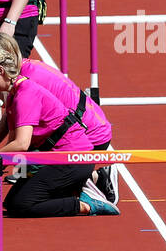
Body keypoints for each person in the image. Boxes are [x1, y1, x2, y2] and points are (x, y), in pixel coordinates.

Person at [0, 34, 118, 217]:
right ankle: (84, 182)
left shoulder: (27, 89)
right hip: (64, 147)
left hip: (81, 146)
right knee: (13, 202)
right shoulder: (16, 87)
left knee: (23, 203)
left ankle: (86, 201)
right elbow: (13, 127)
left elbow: (21, 144)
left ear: (1, 69)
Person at [17, 57, 120, 204]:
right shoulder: (29, 66)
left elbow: (21, 138)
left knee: (36, 182)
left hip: (88, 139)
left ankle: (92, 180)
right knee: (32, 174)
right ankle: (85, 180)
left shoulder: (27, 83)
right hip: (87, 129)